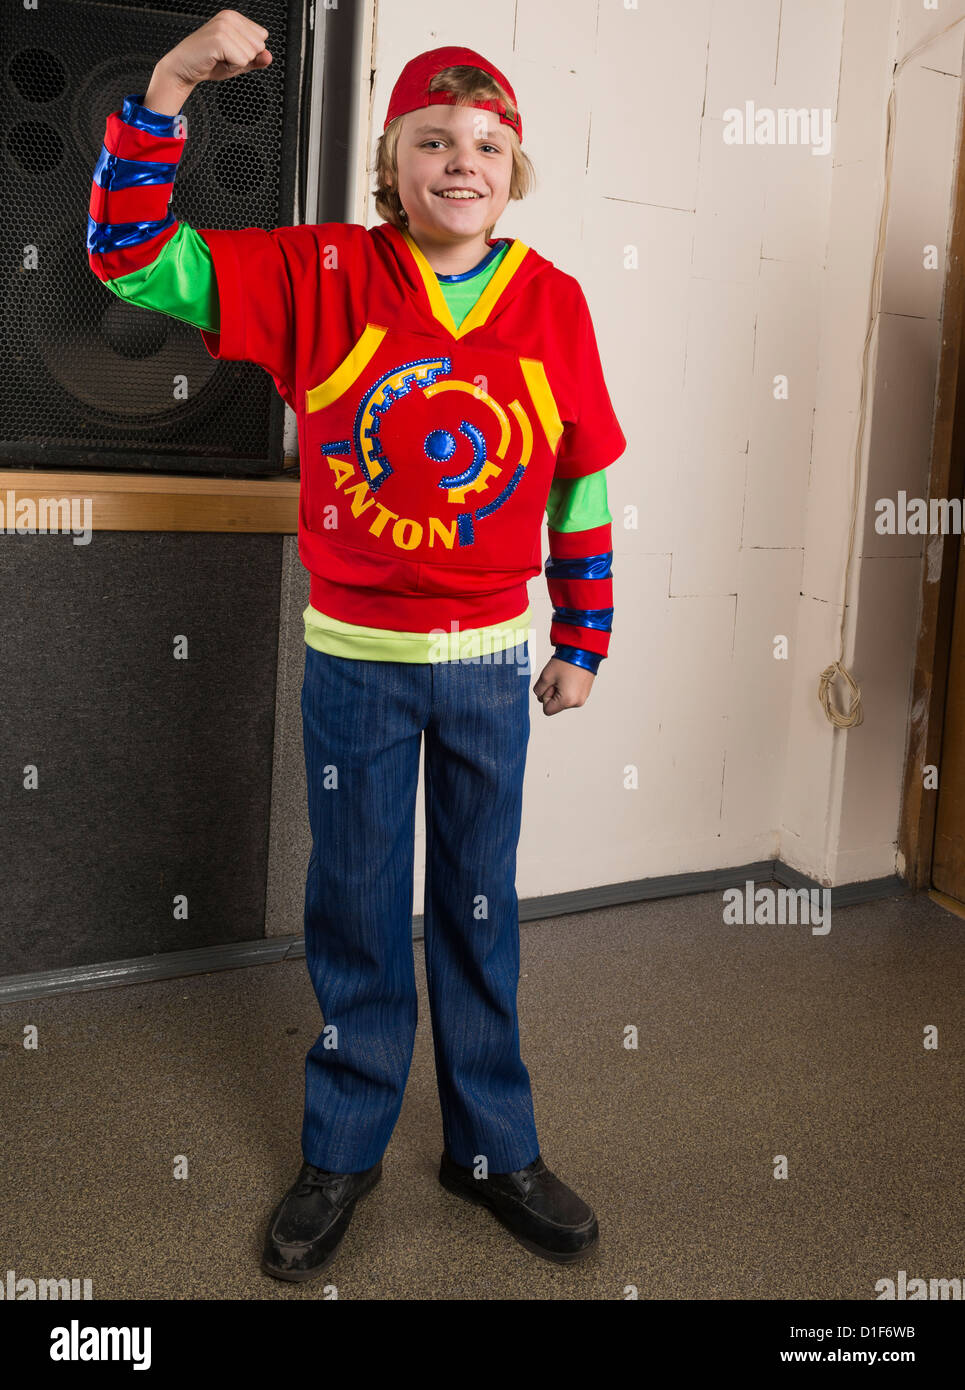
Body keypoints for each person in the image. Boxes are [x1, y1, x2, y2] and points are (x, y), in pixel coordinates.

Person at [87, 10, 626, 1282]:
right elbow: (125, 259)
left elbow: (579, 485)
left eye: (486, 146)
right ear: (389, 163)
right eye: (430, 140)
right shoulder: (315, 272)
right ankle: (344, 1145)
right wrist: (167, 87)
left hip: (491, 662)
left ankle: (491, 1147)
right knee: (358, 909)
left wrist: (583, 636)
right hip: (356, 663)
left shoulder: (551, 302)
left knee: (477, 907)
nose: (459, 162)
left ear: (514, 172)